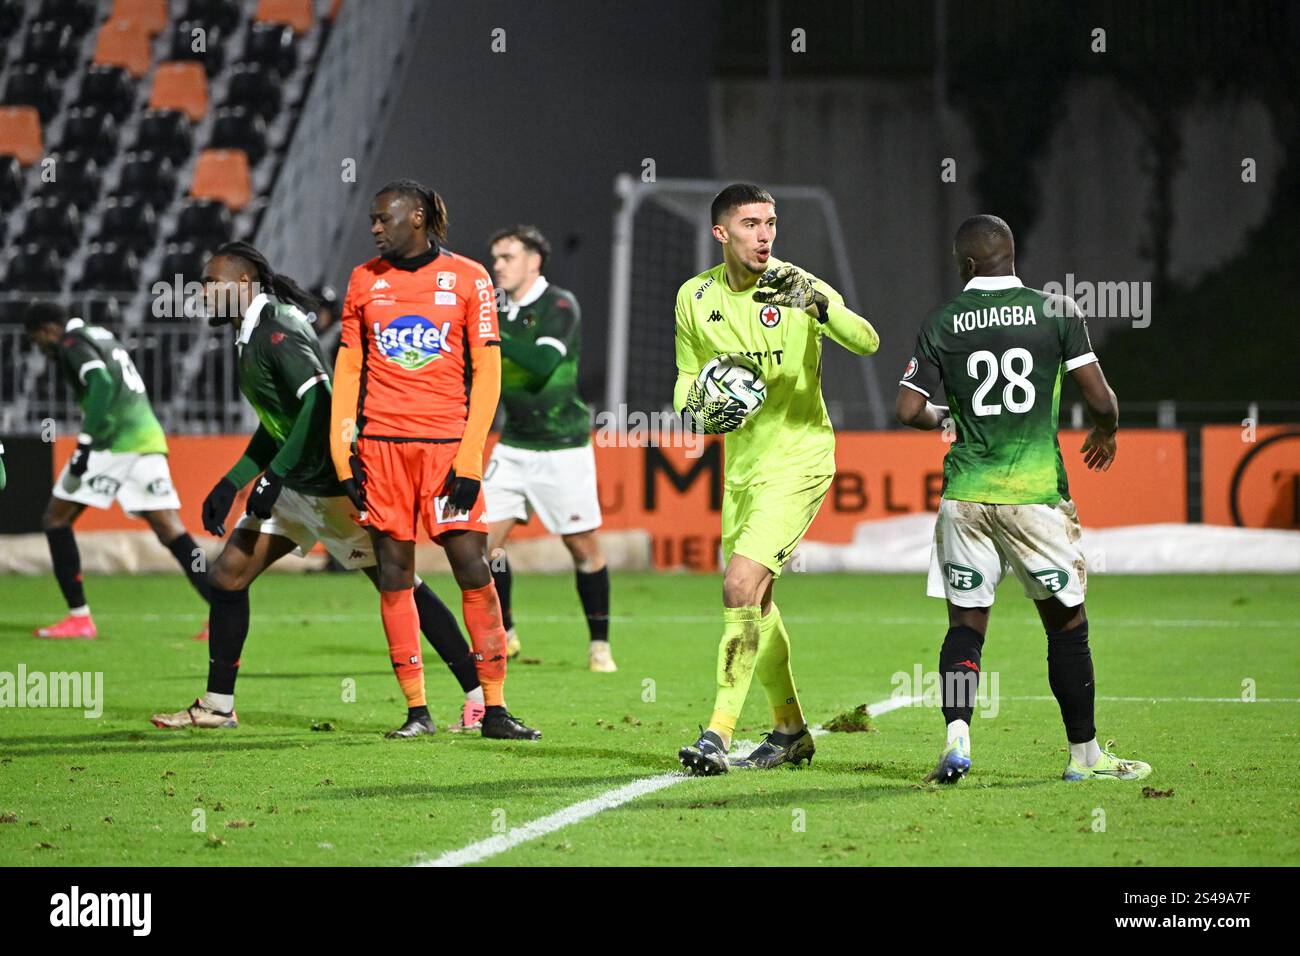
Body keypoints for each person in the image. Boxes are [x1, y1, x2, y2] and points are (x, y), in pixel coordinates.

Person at [150, 242, 482, 732]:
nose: (203, 292)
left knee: (399, 585)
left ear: (242, 286)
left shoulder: (279, 329)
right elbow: (280, 422)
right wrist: (235, 480)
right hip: (295, 488)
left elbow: (320, 405)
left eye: (212, 282)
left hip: (332, 489)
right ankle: (218, 706)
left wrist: (274, 475)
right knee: (227, 578)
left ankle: (477, 698)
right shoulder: (248, 334)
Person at [895, 213, 1151, 783]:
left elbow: (909, 410)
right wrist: (1106, 429)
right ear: (1011, 255)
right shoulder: (1056, 310)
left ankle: (957, 739)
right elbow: (1102, 399)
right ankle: (1085, 758)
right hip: (1033, 493)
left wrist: (946, 417)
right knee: (1066, 624)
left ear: (966, 263)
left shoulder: (942, 320)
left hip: (965, 494)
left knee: (965, 624)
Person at [671, 184, 880, 774]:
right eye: (750, 224)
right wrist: (703, 404)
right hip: (742, 470)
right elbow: (685, 382)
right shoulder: (694, 298)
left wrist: (820, 306)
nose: (764, 235)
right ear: (721, 234)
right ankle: (790, 729)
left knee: (738, 587)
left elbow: (867, 341)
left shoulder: (795, 286)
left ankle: (716, 733)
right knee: (758, 603)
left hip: (800, 459)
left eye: (771, 223)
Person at [329, 178, 540, 740]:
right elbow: (348, 371)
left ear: (417, 217)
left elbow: (487, 373)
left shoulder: (469, 278)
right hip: (381, 449)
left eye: (383, 218)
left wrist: (470, 460)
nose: (374, 228)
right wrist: (344, 457)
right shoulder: (362, 282)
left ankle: (493, 708)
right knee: (395, 577)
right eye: (372, 220)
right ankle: (417, 711)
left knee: (474, 568)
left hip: (447, 450)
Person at [25, 301, 210, 640]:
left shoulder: (71, 343)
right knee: (170, 529)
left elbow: (102, 384)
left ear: (47, 330)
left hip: (112, 441)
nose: (41, 350)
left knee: (55, 518)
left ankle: (79, 618)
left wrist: (84, 443)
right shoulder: (98, 334)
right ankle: (221, 610)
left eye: (37, 341)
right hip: (147, 436)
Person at [484, 224, 612, 672]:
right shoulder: (500, 312)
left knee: (583, 550)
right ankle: (507, 633)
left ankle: (599, 646)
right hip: (513, 445)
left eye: (507, 257)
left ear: (534, 261)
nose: (497, 265)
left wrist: (491, 327)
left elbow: (541, 364)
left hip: (563, 447)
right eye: (495, 258)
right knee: (482, 546)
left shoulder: (559, 304)